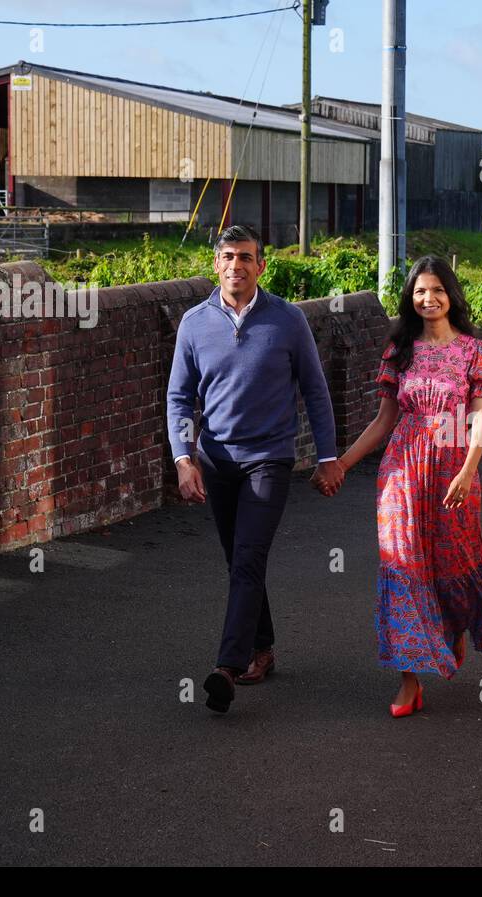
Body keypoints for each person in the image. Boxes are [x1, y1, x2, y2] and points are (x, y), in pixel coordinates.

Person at [166, 224, 344, 714]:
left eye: (246, 257)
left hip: (270, 458)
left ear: (261, 266)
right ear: (216, 264)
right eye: (228, 256)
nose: (236, 265)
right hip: (216, 460)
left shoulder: (287, 320)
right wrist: (184, 458)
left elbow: (315, 390)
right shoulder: (194, 323)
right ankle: (262, 646)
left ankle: (228, 665)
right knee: (240, 561)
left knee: (247, 556)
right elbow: (179, 396)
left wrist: (327, 457)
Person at [332, 255, 482, 717]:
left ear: (451, 295)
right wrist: (343, 463)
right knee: (402, 565)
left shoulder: (475, 352)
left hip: (453, 466)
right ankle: (409, 681)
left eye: (437, 290)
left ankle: (454, 628)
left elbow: (481, 420)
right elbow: (384, 420)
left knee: (453, 563)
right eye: (420, 291)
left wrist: (467, 471)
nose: (428, 298)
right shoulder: (398, 350)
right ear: (410, 298)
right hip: (402, 469)